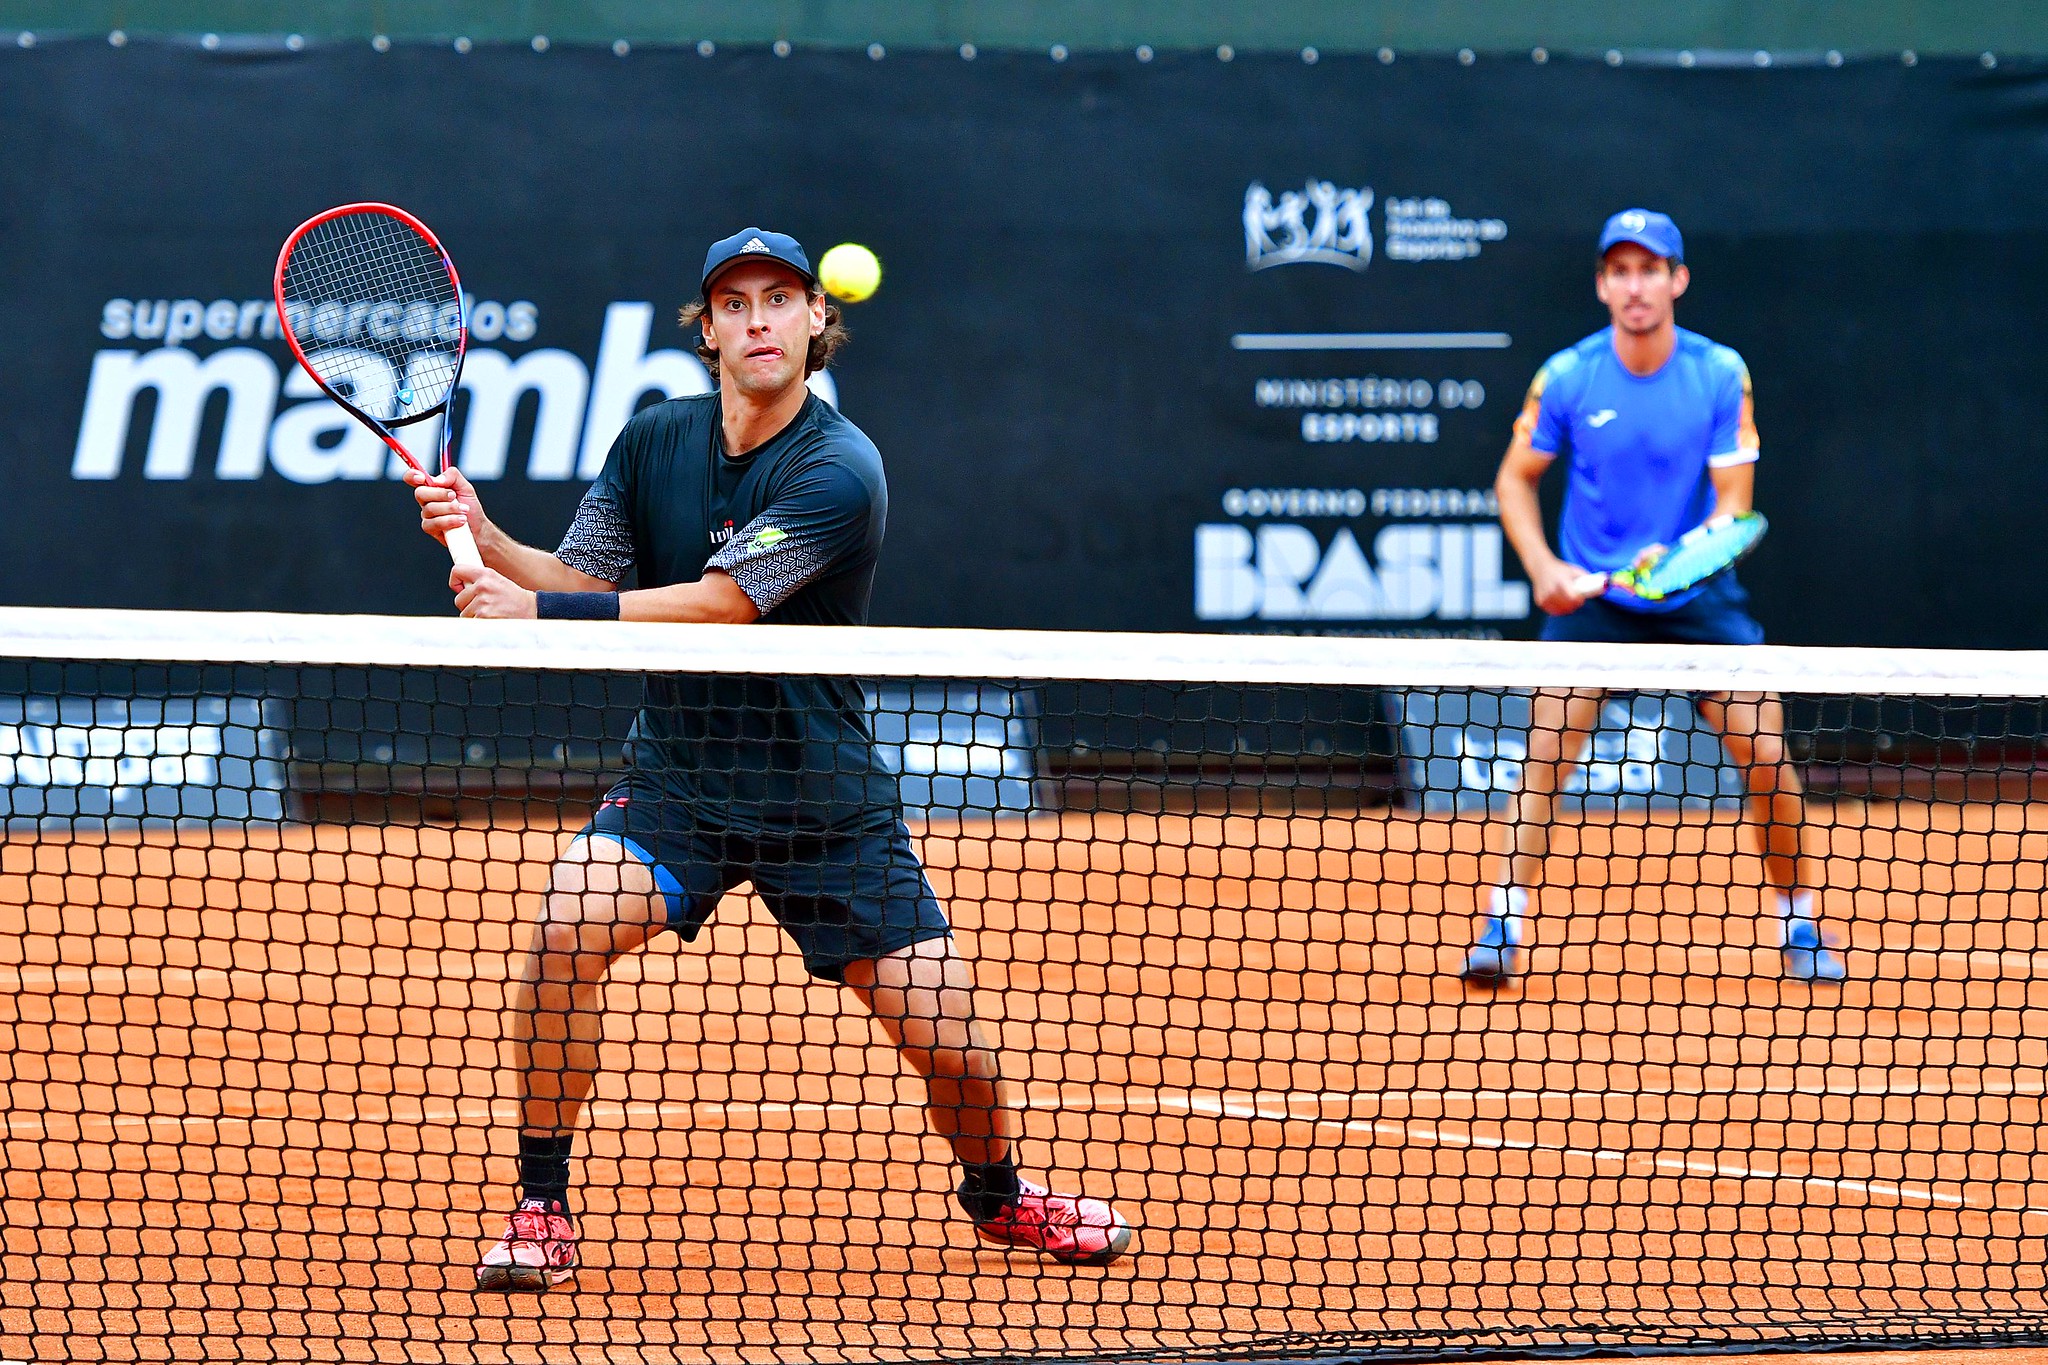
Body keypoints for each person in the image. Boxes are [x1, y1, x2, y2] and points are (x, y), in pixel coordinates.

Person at [410, 227, 1134, 1290]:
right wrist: (481, 534)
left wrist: (534, 600)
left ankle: (1000, 1196)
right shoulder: (651, 440)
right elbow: (574, 576)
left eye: (779, 299)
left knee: (951, 1048)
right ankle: (542, 1203)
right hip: (680, 786)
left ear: (814, 322)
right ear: (705, 330)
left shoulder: (839, 470)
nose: (758, 318)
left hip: (823, 806)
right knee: (566, 929)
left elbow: (720, 604)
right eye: (735, 303)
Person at [1465, 208, 1846, 990]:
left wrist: (1672, 559)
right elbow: (1514, 478)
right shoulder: (1568, 376)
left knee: (1765, 754)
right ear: (1604, 285)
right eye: (1621, 271)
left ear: (1678, 280)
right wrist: (1545, 569)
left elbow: (1732, 509)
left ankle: (1799, 917)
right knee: (1544, 752)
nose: (1636, 285)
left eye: (1651, 269)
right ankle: (1503, 918)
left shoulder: (1719, 373)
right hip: (1599, 603)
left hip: (1699, 594)